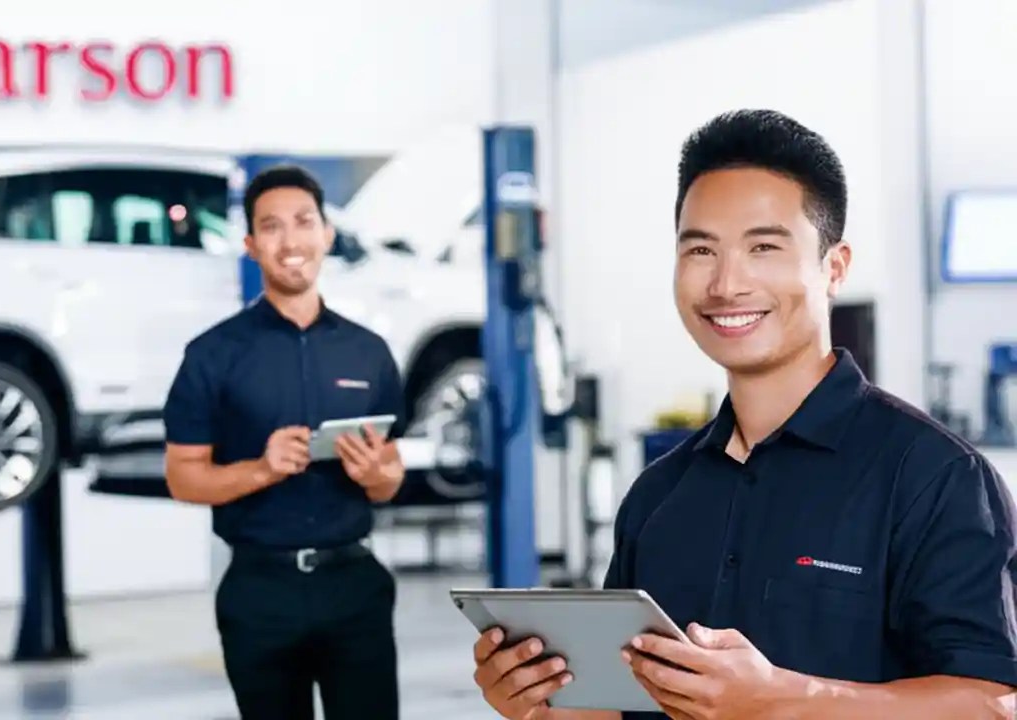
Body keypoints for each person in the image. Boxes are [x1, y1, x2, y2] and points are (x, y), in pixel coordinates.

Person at [470, 109, 1017, 719]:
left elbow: (991, 704)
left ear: (833, 268)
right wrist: (540, 704)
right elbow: (624, 705)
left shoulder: (935, 477)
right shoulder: (658, 496)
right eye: (701, 249)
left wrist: (781, 702)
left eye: (763, 247)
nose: (727, 283)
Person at [163, 164, 407, 720]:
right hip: (258, 591)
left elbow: (391, 474)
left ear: (326, 234)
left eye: (304, 223)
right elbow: (182, 476)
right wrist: (261, 469)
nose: (290, 240)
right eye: (271, 227)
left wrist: (378, 477)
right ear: (250, 244)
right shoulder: (211, 356)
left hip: (355, 586)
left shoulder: (369, 353)